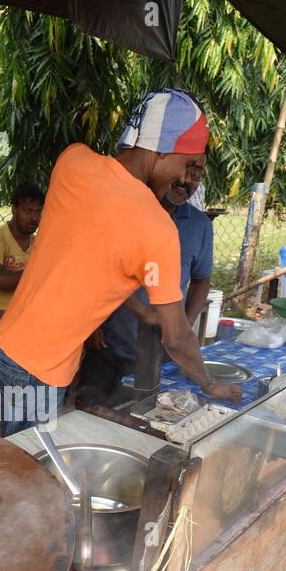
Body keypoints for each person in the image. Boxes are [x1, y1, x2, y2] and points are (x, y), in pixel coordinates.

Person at [0, 88, 239, 437]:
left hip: (5, 346)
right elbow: (177, 338)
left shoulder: (73, 161)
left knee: (18, 451)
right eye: (188, 164)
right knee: (27, 472)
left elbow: (96, 262)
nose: (184, 178)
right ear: (163, 150)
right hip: (40, 369)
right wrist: (209, 384)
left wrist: (142, 313)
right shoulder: (156, 227)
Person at [76, 158, 213, 406]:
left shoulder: (199, 226)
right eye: (185, 170)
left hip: (162, 351)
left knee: (152, 418)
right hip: (109, 344)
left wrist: (184, 323)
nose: (186, 180)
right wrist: (91, 324)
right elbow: (95, 268)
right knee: (89, 411)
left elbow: (202, 280)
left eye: (196, 175)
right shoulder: (122, 212)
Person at [0, 182, 44, 339]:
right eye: (28, 211)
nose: (34, 218)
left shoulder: (38, 243)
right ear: (14, 210)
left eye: (38, 212)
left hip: (29, 312)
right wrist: (35, 273)